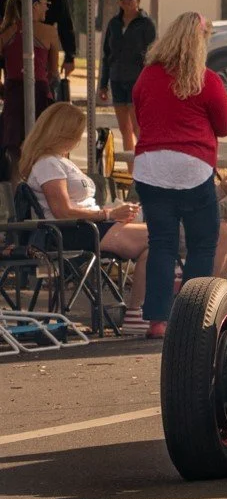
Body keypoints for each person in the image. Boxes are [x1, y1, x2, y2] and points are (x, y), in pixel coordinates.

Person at [131, 12, 227, 339]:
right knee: (202, 243)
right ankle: (191, 319)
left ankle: (158, 321)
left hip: (151, 166)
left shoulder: (147, 76)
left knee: (161, 243)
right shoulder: (205, 79)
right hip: (192, 167)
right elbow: (226, 126)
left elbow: (139, 117)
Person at [19, 103, 154, 333]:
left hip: (88, 225)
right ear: (64, 132)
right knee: (158, 237)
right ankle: (138, 311)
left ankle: (139, 310)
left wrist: (110, 211)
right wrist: (108, 214)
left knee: (157, 241)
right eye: (76, 133)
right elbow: (63, 211)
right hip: (74, 231)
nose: (78, 139)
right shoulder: (47, 164)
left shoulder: (58, 161)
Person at [1, 0, 63, 176]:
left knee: (14, 148)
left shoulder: (5, 32)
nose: (47, 8)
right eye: (45, 3)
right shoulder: (49, 32)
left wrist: (5, 91)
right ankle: (39, 185)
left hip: (13, 94)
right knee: (43, 146)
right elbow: (54, 73)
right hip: (39, 92)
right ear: (34, 5)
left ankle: (15, 189)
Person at [0, 0, 77, 85]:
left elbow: (65, 23)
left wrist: (69, 56)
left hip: (43, 50)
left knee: (42, 85)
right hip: (13, 51)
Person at [102, 0, 158, 160]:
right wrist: (103, 84)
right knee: (124, 129)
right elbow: (107, 55)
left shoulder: (146, 24)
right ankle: (131, 170)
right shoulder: (114, 24)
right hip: (117, 80)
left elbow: (152, 55)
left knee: (137, 127)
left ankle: (144, 166)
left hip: (137, 81)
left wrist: (149, 83)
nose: (125, 0)